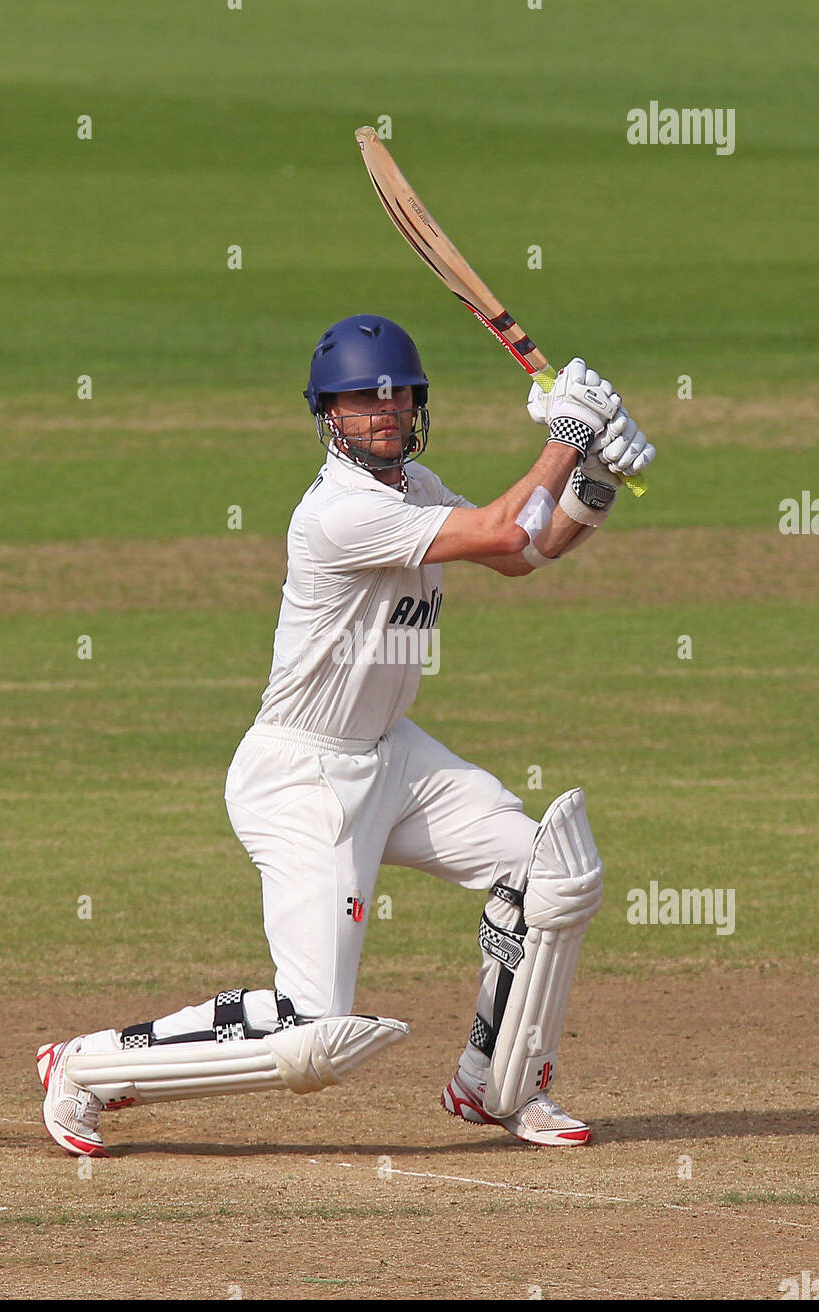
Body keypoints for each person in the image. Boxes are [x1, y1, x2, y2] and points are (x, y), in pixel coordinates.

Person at [37, 314, 654, 1156]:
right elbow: (506, 529)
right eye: (362, 399)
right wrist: (566, 438)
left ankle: (499, 1084)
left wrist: (595, 479)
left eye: (397, 396)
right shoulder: (338, 513)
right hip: (302, 775)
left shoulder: (417, 487)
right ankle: (85, 1068)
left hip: (390, 755)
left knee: (552, 872)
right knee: (310, 1033)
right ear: (329, 415)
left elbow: (526, 551)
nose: (384, 411)